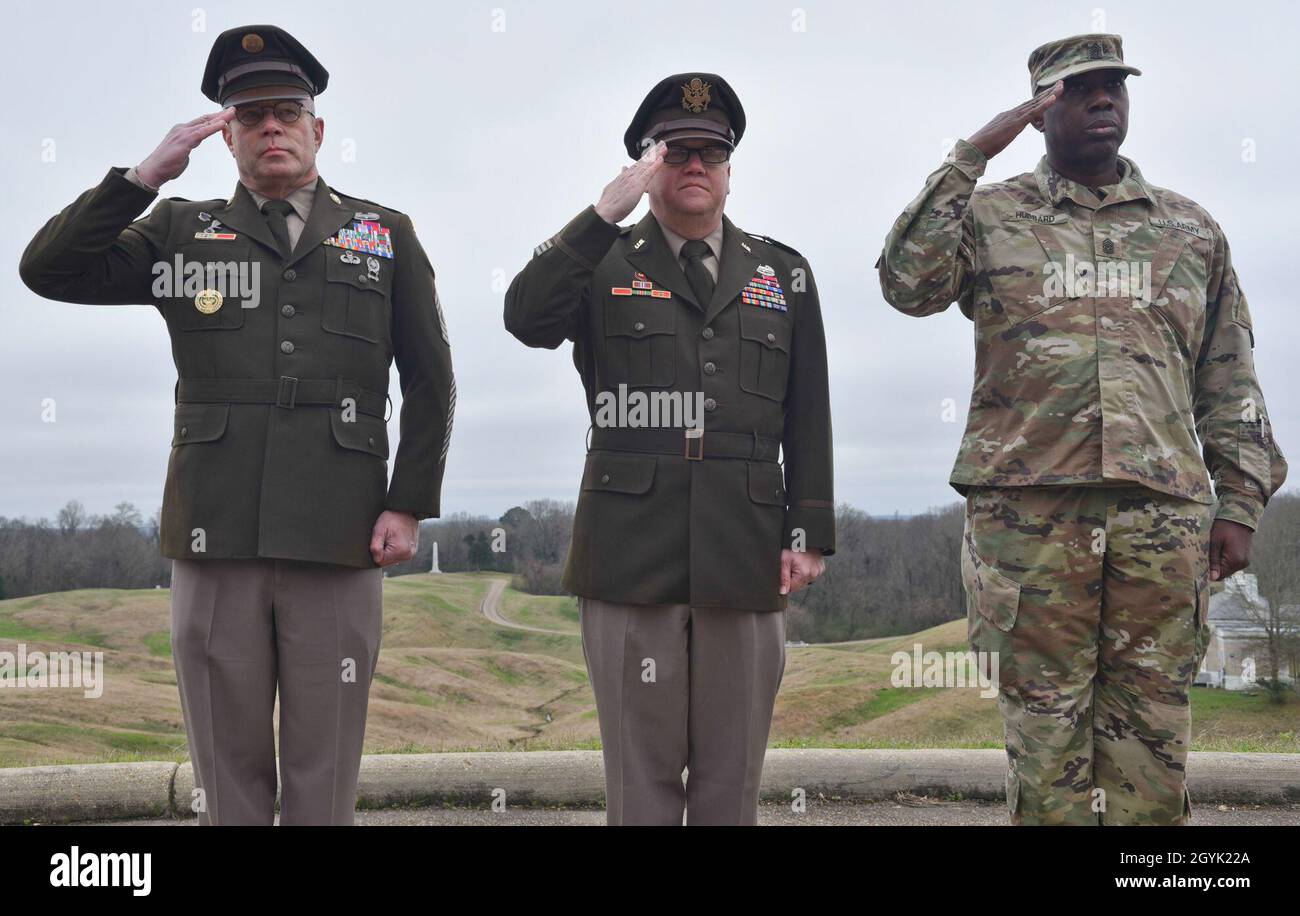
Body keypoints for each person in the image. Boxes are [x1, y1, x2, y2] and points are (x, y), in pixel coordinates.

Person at [19, 24, 456, 825]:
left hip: (340, 531)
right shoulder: (178, 232)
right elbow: (49, 270)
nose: (271, 128)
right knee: (227, 770)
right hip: (215, 532)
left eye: (287, 111)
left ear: (318, 129)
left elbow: (431, 380)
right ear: (227, 136)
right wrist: (141, 178)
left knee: (326, 776)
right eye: (249, 115)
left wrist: (408, 502)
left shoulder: (383, 233)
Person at [877, 33, 1287, 825]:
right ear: (1039, 111)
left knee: (1152, 744)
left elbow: (1229, 377)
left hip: (1160, 524)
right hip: (1030, 525)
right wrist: (968, 156)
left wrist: (1240, 504)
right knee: (1045, 743)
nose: (1102, 100)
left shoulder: (1189, 231)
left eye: (1114, 87)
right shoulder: (990, 217)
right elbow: (906, 284)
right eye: (1078, 90)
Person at [504, 73, 835, 825]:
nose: (695, 167)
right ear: (646, 165)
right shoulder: (602, 261)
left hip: (745, 547)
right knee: (640, 781)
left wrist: (808, 532)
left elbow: (808, 409)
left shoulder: (783, 272)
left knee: (731, 781)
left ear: (729, 168)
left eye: (710, 153)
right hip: (630, 549)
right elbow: (525, 318)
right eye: (676, 152)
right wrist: (600, 216)